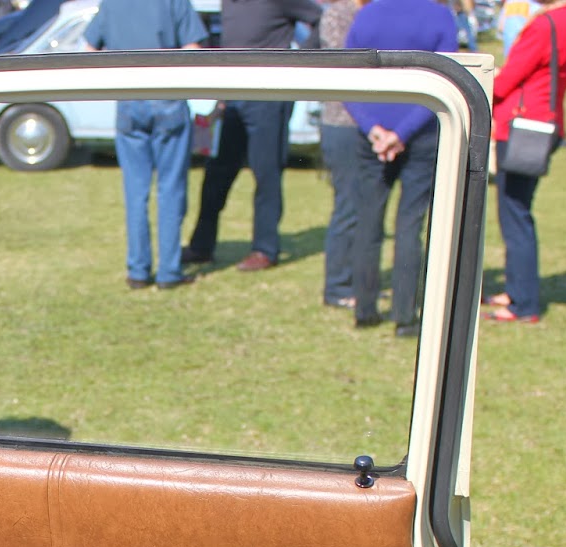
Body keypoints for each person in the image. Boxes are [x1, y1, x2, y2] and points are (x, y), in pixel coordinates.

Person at [343, 0, 459, 336]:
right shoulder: (440, 16)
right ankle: (404, 315)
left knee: (368, 220)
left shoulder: (367, 14)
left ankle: (365, 309)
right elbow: (448, 79)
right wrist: (402, 132)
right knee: (409, 224)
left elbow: (345, 76)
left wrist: (372, 128)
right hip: (420, 132)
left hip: (374, 133)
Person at [180, 0, 322, 273]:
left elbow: (320, 18)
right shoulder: (228, 3)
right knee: (216, 173)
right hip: (234, 97)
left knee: (266, 174)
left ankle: (264, 249)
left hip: (269, 98)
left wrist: (300, 60)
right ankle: (201, 246)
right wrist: (222, 99)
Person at [85, 0, 208, 290]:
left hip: (128, 102)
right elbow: (193, 49)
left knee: (135, 191)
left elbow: (89, 50)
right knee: (170, 190)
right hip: (168, 101)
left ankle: (138, 270)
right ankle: (168, 271)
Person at [484, 0, 566, 324]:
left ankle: (523, 301)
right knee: (517, 209)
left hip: (523, 124)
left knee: (514, 212)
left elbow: (509, 79)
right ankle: (516, 289)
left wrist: (484, 85)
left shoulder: (546, 25)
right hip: (546, 119)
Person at [317, 0, 366, 308]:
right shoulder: (338, 14)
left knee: (361, 207)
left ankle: (355, 281)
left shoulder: (364, 12)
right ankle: (338, 286)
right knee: (348, 206)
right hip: (342, 123)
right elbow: (345, 67)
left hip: (363, 124)